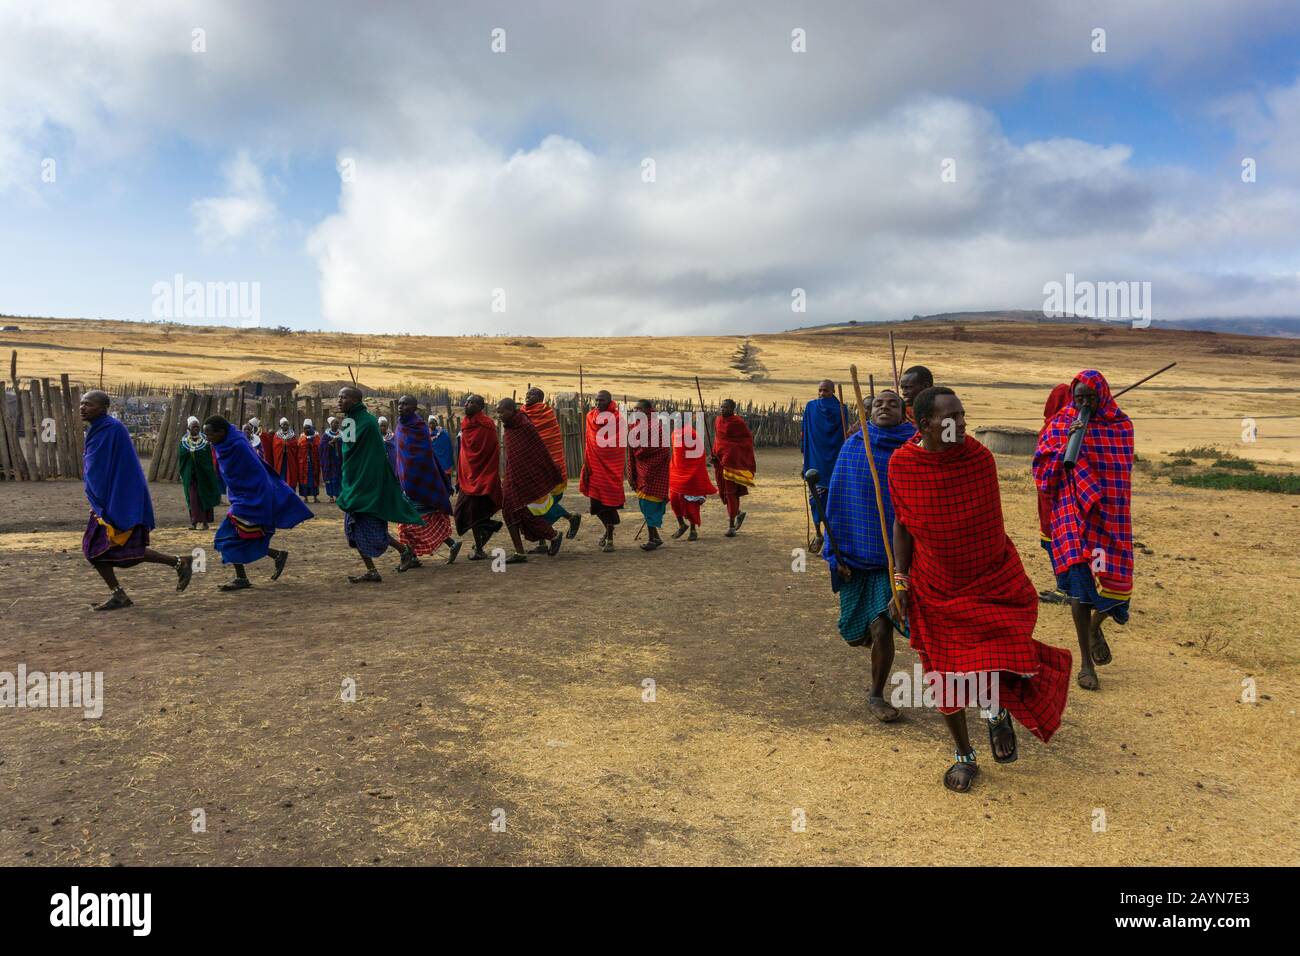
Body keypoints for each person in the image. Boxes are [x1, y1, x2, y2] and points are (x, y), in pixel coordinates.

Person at [889, 386, 1071, 793]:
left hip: (989, 579)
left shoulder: (978, 458)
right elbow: (903, 523)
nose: (962, 423)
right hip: (934, 586)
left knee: (990, 657)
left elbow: (987, 524)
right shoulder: (903, 465)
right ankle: (964, 755)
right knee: (944, 672)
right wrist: (900, 580)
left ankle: (994, 710)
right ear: (924, 425)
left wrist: (987, 569)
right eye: (950, 417)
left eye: (963, 413)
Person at [1033, 370, 1134, 692]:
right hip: (1070, 517)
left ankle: (1095, 627)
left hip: (1107, 520)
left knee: (1116, 590)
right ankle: (1086, 664)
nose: (1084, 404)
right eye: (1079, 398)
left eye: (1090, 398)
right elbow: (1041, 472)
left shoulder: (1119, 426)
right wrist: (1065, 446)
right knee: (1079, 590)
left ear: (1102, 396)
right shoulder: (1060, 425)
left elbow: (1121, 470)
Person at [821, 390, 915, 721]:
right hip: (857, 554)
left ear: (904, 411)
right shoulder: (853, 447)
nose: (885, 408)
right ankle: (866, 642)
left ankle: (876, 694)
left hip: (895, 559)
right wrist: (835, 553)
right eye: (878, 404)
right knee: (854, 632)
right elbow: (838, 503)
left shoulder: (912, 448)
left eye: (892, 403)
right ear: (869, 411)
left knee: (881, 627)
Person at [80, 390, 192, 610]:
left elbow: (121, 469)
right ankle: (176, 563)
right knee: (106, 551)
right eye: (82, 404)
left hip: (118, 500)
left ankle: (177, 563)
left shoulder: (113, 429)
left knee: (100, 550)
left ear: (103, 408)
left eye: (89, 404)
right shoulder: (98, 430)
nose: (83, 408)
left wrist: (111, 501)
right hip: (106, 501)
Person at [204, 415, 313, 591]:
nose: (208, 439)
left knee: (226, 537)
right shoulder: (226, 443)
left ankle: (246, 574)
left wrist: (249, 494)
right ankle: (273, 557)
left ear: (221, 432)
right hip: (241, 496)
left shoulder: (237, 445)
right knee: (243, 535)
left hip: (252, 495)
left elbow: (254, 470)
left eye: (210, 435)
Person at [336, 387, 422, 582]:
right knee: (353, 528)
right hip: (354, 481)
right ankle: (375, 568)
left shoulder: (367, 422)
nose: (339, 401)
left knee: (366, 526)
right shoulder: (351, 421)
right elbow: (349, 451)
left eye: (344, 397)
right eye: (339, 397)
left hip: (366, 484)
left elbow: (370, 455)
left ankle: (403, 551)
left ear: (356, 400)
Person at [393, 395, 461, 567]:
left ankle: (412, 556)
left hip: (420, 478)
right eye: (400, 404)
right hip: (406, 478)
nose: (401, 407)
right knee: (415, 519)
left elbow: (422, 454)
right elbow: (401, 453)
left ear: (414, 407)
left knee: (410, 521)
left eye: (406, 404)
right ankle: (444, 547)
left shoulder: (419, 427)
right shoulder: (400, 425)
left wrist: (411, 471)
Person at [496, 398, 565, 562]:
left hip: (525, 478)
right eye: (497, 412)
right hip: (512, 477)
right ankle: (551, 537)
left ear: (512, 410)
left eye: (501, 412)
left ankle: (550, 537)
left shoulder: (525, 427)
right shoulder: (510, 428)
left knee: (514, 511)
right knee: (515, 512)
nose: (499, 415)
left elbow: (537, 452)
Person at [522, 387, 581, 543]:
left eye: (532, 394)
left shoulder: (546, 415)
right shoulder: (522, 414)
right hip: (532, 466)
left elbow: (550, 441)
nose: (528, 396)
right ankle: (544, 540)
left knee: (541, 505)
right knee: (536, 506)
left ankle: (570, 517)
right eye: (527, 393)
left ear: (541, 398)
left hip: (549, 468)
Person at [1035, 384, 1073, 604]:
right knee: (1053, 539)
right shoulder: (1060, 425)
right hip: (1049, 492)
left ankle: (1065, 588)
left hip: (1055, 494)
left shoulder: (1057, 427)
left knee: (1057, 540)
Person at [453, 394, 504, 560]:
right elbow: (464, 454)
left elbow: (490, 451)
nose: (466, 405)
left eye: (471, 403)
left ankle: (480, 548)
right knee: (461, 514)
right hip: (467, 477)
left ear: (480, 407)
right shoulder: (466, 424)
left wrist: (487, 475)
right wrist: (460, 477)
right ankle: (489, 530)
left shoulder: (487, 425)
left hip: (483, 476)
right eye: (466, 402)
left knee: (475, 514)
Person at [579, 390, 626, 553]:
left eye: (602, 400)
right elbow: (589, 440)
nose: (598, 403)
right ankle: (608, 530)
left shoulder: (619, 419)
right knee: (596, 504)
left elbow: (618, 445)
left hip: (611, 468)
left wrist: (605, 453)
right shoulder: (590, 417)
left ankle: (610, 537)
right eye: (596, 400)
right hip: (594, 466)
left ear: (609, 401)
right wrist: (588, 461)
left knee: (609, 504)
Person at [801, 379, 845, 552]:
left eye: (825, 391)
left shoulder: (841, 410)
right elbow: (805, 433)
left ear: (833, 391)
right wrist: (805, 462)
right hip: (814, 461)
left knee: (832, 502)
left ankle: (829, 536)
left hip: (834, 463)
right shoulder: (811, 408)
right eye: (819, 390)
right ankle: (818, 533)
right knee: (814, 500)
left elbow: (842, 435)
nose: (821, 394)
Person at [628, 399, 672, 551]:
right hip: (643, 471)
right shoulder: (636, 426)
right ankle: (655, 537)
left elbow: (662, 449)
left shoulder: (655, 427)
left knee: (649, 505)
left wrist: (638, 450)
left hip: (654, 472)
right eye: (634, 409)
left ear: (647, 411)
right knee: (645, 505)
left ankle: (652, 539)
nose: (635, 412)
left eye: (638, 409)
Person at [712, 398, 756, 537]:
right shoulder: (718, 421)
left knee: (731, 493)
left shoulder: (738, 423)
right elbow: (718, 439)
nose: (722, 409)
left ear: (732, 409)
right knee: (723, 492)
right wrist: (714, 453)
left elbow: (745, 441)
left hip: (732, 462)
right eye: (721, 407)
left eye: (725, 407)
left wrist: (732, 454)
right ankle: (738, 513)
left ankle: (731, 526)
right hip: (720, 460)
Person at [668, 420, 715, 540]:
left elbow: (700, 454)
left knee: (691, 504)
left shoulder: (693, 434)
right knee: (674, 500)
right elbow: (676, 454)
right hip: (677, 472)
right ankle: (682, 525)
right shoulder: (674, 434)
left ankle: (693, 530)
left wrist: (693, 470)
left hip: (691, 474)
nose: (675, 423)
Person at [177, 415, 223, 530]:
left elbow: (207, 459)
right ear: (189, 428)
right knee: (192, 499)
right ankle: (193, 522)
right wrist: (189, 456)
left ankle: (205, 522)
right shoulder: (184, 442)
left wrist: (200, 462)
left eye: (197, 427)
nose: (196, 429)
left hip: (203, 476)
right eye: (194, 427)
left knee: (204, 498)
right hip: (191, 476)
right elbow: (182, 456)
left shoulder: (205, 442)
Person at [295, 418, 322, 502]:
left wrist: (311, 445)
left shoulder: (316, 437)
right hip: (303, 463)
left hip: (313, 463)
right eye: (305, 428)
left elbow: (318, 447)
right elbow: (299, 449)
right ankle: (305, 497)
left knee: (314, 479)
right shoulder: (301, 438)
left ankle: (315, 497)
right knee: (304, 480)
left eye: (308, 428)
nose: (307, 429)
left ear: (312, 428)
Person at [268, 417, 298, 488]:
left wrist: (288, 445)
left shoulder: (292, 435)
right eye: (283, 424)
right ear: (280, 425)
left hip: (289, 459)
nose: (285, 426)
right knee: (280, 474)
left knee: (290, 475)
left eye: (286, 424)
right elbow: (275, 447)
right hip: (280, 459)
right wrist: (282, 446)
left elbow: (295, 446)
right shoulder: (277, 435)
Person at [320, 415, 343, 501]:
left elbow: (345, 446)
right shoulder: (326, 436)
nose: (337, 425)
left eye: (337, 423)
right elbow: (321, 447)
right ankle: (331, 496)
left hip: (339, 460)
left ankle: (338, 495)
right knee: (331, 478)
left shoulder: (341, 434)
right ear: (330, 424)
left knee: (339, 477)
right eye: (335, 423)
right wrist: (330, 443)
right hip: (329, 461)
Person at [430, 415, 456, 489]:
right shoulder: (427, 435)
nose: (431, 425)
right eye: (430, 423)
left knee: (446, 481)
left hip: (444, 461)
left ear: (436, 423)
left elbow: (448, 447)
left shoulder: (443, 434)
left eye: (433, 423)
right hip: (434, 463)